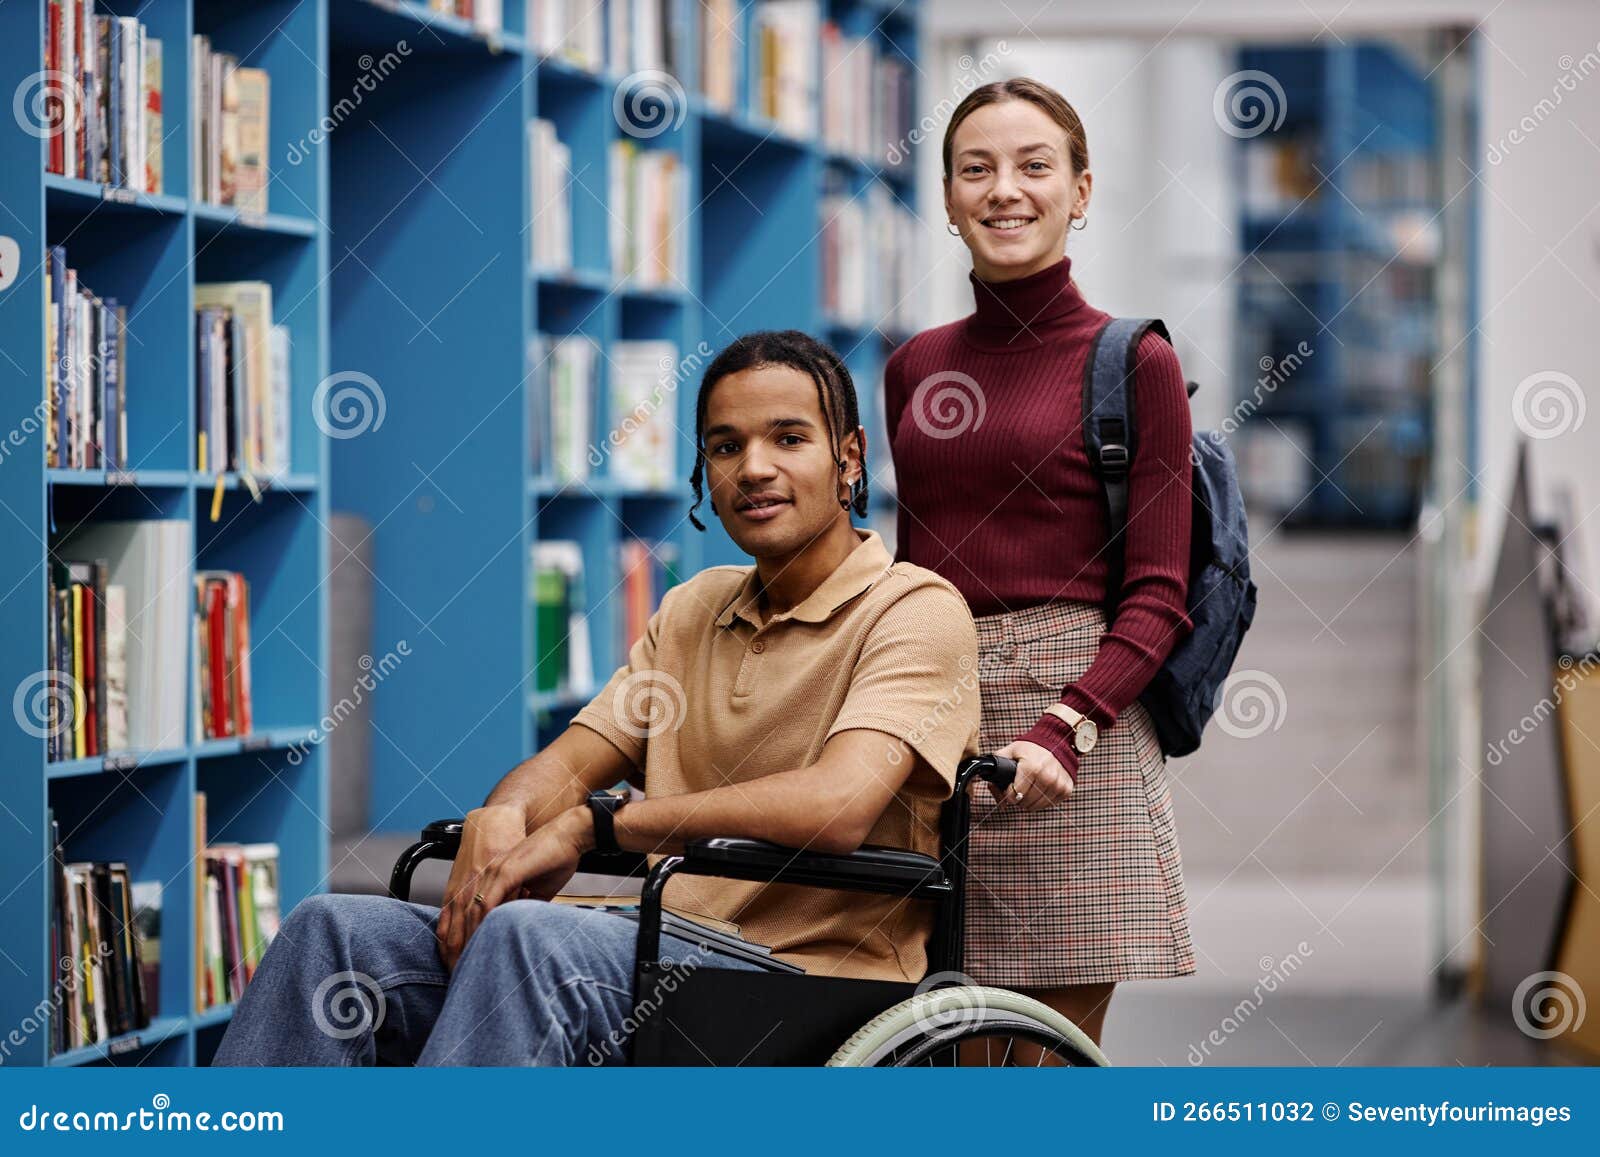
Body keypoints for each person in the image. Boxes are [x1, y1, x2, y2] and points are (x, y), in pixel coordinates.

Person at [213, 330, 980, 1066]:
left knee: (527, 938)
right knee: (330, 933)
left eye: (788, 438)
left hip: (808, 979)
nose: (752, 467)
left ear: (849, 460)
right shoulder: (693, 608)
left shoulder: (914, 609)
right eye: (724, 445)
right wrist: (504, 814)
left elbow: (839, 805)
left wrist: (598, 824)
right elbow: (570, 763)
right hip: (653, 942)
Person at [883, 77, 1197, 1047]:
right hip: (932, 730)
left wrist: (1067, 726)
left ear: (1081, 190)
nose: (1003, 190)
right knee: (940, 1049)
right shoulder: (913, 365)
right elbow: (908, 568)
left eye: (1033, 165)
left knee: (1042, 1062)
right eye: (975, 168)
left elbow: (1156, 595)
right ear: (945, 200)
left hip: (1074, 739)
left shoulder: (1131, 360)